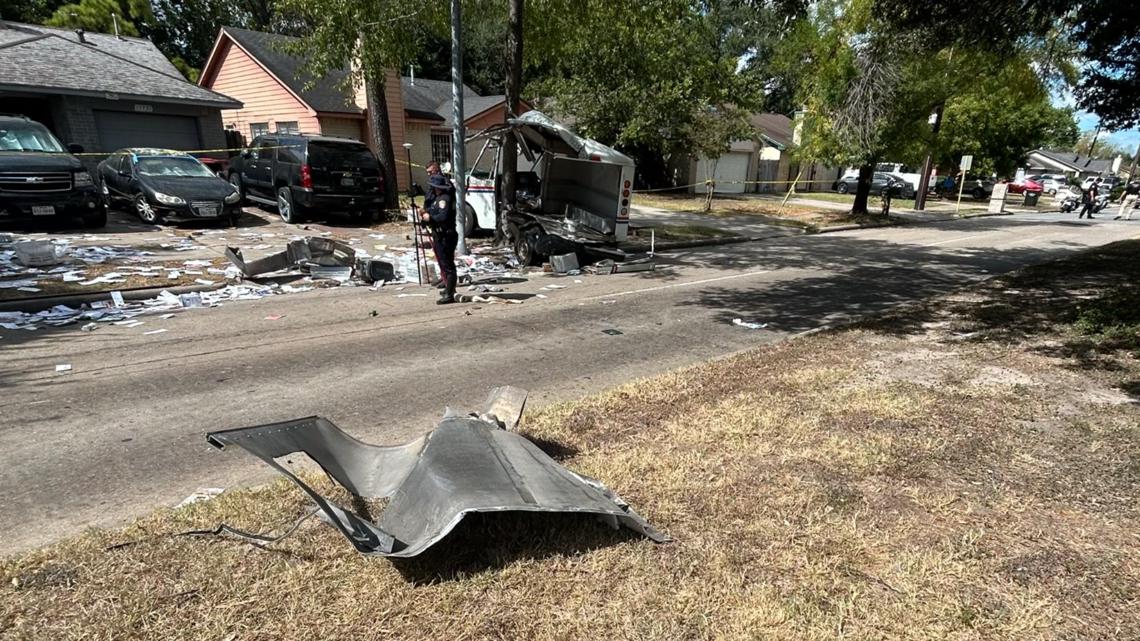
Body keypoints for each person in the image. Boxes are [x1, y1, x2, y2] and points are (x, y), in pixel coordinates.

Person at [421, 173, 458, 304]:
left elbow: (442, 216)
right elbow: (432, 211)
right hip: (439, 235)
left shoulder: (444, 199)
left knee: (448, 265)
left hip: (446, 235)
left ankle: (450, 293)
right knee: (443, 263)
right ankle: (448, 287)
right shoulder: (437, 198)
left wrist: (430, 218)